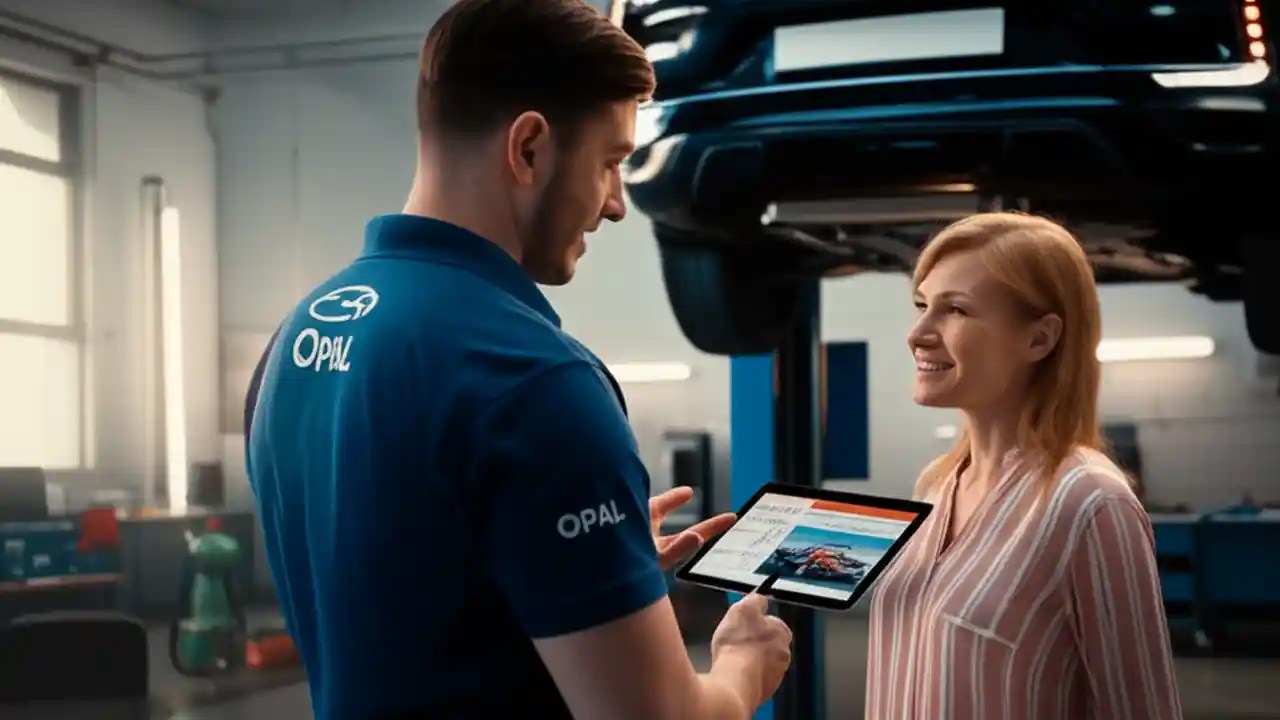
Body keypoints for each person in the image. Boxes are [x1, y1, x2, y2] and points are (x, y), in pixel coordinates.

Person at [243, 1, 792, 719]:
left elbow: (405, 588)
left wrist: (588, 573)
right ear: (529, 147)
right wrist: (744, 666)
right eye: (610, 163)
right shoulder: (533, 379)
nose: (616, 205)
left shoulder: (299, 334)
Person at [864, 212, 1183, 720]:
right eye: (923, 306)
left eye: (956, 309)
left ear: (1039, 339)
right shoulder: (936, 486)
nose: (917, 334)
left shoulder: (1091, 504)